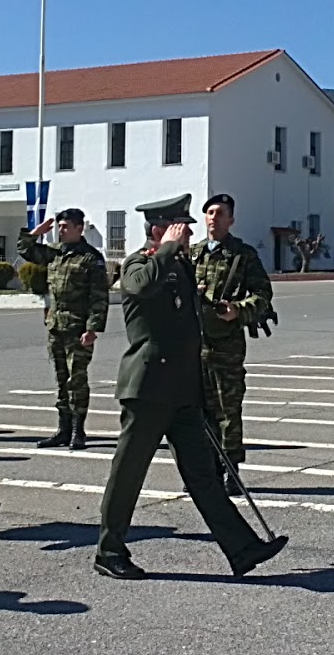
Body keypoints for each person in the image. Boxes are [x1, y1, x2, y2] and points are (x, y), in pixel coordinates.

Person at [94, 194, 288, 580]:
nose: (187, 236)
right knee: (129, 472)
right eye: (180, 229)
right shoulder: (139, 263)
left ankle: (242, 547)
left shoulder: (180, 265)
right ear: (159, 229)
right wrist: (166, 248)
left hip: (183, 391)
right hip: (149, 388)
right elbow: (139, 287)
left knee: (203, 474)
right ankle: (109, 550)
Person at [190, 193, 273, 493]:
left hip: (226, 345)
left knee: (228, 409)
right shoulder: (192, 253)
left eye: (220, 213)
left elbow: (263, 295)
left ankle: (230, 470)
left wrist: (238, 310)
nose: (214, 217)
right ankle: (207, 470)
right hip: (194, 345)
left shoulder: (242, 255)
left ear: (231, 220)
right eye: (210, 212)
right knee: (200, 411)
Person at [18, 208, 108, 449]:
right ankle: (63, 429)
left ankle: (78, 430)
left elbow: (99, 297)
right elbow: (25, 250)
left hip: (78, 329)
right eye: (59, 226)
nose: (61, 230)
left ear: (80, 228)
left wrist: (92, 329)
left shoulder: (91, 258)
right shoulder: (55, 253)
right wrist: (34, 233)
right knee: (61, 379)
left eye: (66, 226)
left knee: (76, 380)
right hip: (56, 326)